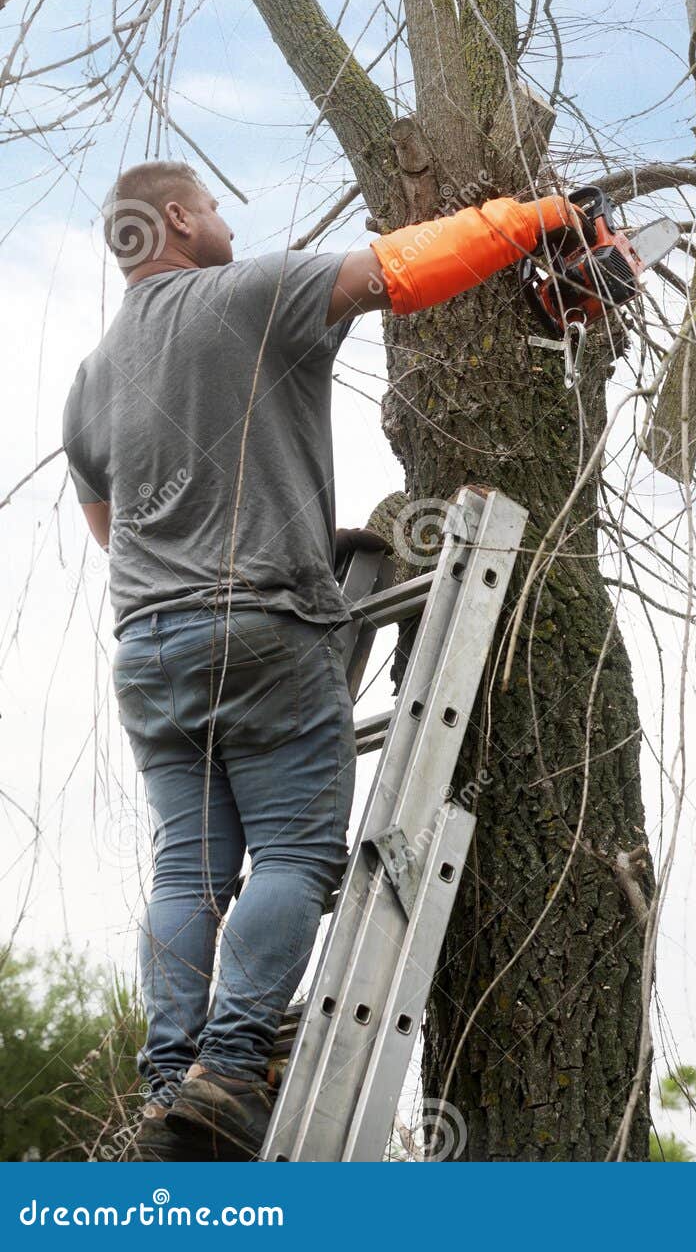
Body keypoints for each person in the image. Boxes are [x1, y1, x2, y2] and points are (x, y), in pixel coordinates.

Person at [63, 161, 579, 1161]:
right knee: (296, 857)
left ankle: (170, 1082)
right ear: (175, 216)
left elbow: (107, 527)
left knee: (192, 871)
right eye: (213, 207)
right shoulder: (245, 293)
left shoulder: (89, 380)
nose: (222, 221)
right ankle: (228, 1066)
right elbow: (401, 269)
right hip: (259, 623)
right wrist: (536, 217)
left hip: (145, 646)